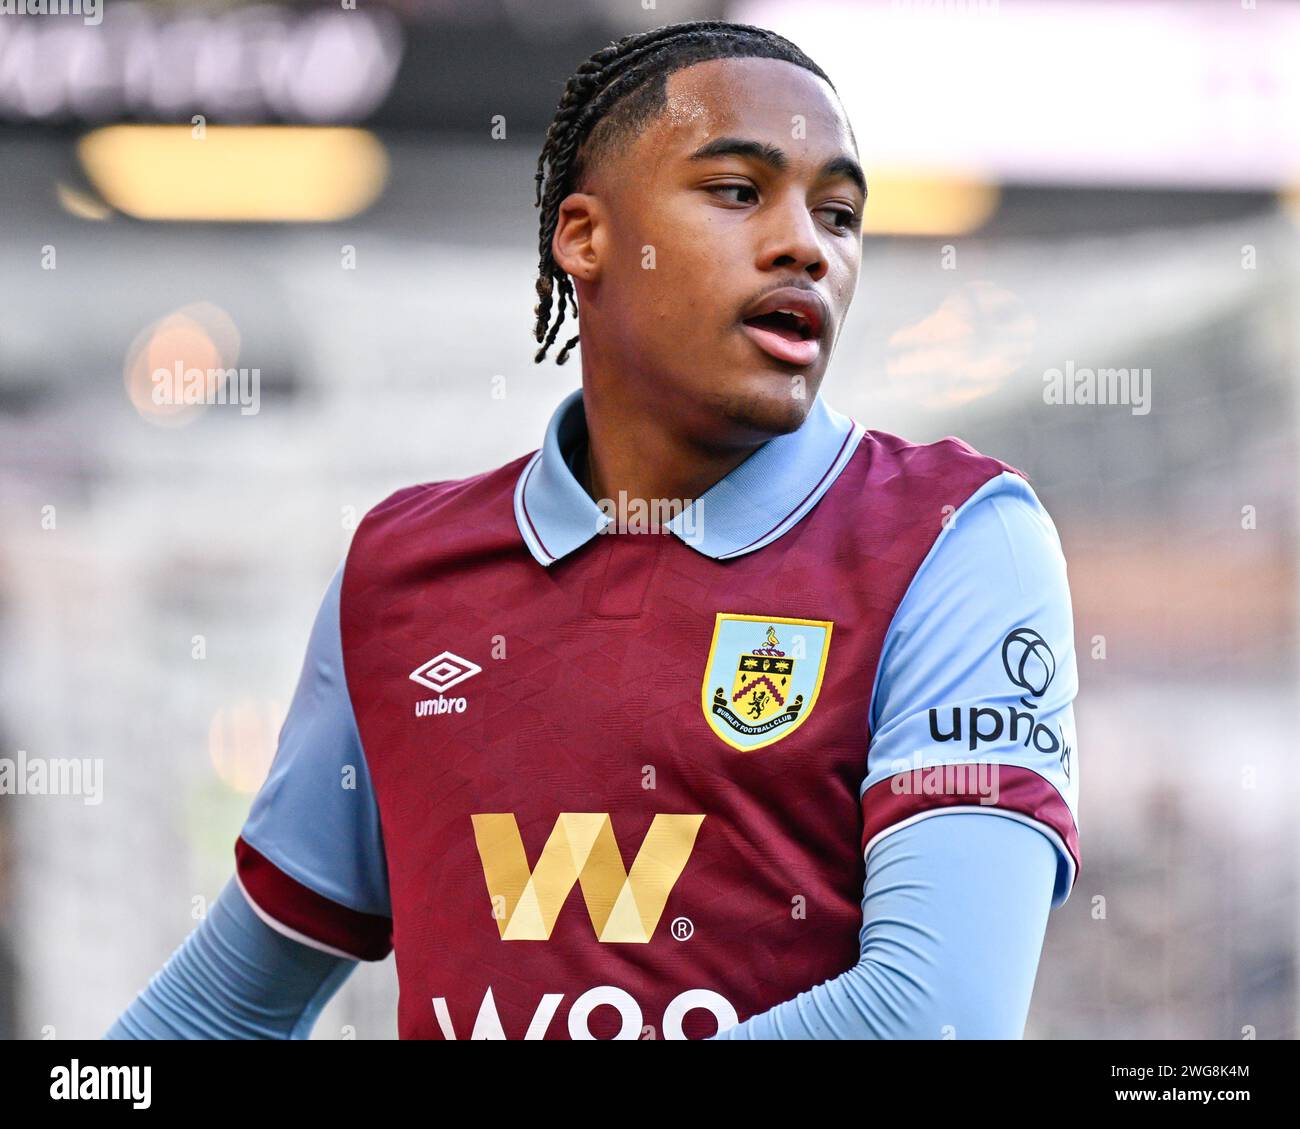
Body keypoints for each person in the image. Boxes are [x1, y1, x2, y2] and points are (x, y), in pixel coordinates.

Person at [107, 18, 1079, 1041]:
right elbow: (225, 1007)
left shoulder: (954, 538)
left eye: (837, 213)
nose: (806, 245)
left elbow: (938, 1017)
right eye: (738, 191)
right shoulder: (399, 573)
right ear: (585, 236)